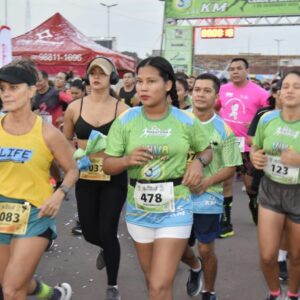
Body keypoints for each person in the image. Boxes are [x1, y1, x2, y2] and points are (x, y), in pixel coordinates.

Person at [103, 56, 212, 300]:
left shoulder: (186, 120)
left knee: (160, 286)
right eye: (140, 81)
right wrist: (126, 161)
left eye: (151, 81)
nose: (142, 87)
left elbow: (207, 150)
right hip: (138, 208)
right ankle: (195, 265)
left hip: (177, 206)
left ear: (168, 85)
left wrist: (197, 162)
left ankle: (194, 264)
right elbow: (108, 165)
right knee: (153, 282)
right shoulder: (126, 120)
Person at [0, 59, 78, 300]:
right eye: (2, 88)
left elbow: (73, 169)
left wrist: (59, 193)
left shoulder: (47, 133)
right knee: (8, 284)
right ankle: (52, 295)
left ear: (32, 90)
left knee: (12, 290)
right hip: (2, 210)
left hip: (36, 213)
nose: (6, 94)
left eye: (14, 88)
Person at [63, 56, 129, 300]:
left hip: (114, 176)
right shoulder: (74, 107)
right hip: (86, 176)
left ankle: (112, 285)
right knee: (91, 232)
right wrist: (77, 157)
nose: (97, 76)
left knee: (108, 230)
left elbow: (130, 145)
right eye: (93, 72)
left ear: (111, 77)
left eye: (102, 72)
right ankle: (104, 246)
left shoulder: (123, 110)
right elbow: (64, 142)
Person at [181, 74, 242, 300]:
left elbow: (231, 167)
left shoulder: (224, 129)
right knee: (177, 248)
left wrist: (206, 182)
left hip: (208, 197)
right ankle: (195, 267)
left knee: (206, 248)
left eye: (207, 91)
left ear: (216, 97)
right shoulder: (178, 120)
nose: (200, 94)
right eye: (197, 89)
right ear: (191, 92)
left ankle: (209, 291)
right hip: (177, 196)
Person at [250, 70, 300, 300]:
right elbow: (255, 148)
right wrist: (255, 157)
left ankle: (292, 294)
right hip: (271, 190)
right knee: (268, 256)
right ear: (279, 92)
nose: (290, 90)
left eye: (296, 86)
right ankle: (274, 293)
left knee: (297, 256)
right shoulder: (267, 119)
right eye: (286, 86)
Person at [215, 57, 269, 237]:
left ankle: (254, 203)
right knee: (225, 182)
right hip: (227, 143)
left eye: (239, 68)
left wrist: (257, 123)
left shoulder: (260, 92)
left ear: (247, 70)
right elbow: (214, 107)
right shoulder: (222, 90)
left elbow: (271, 112)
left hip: (247, 147)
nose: (235, 72)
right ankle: (226, 222)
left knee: (250, 186)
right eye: (232, 69)